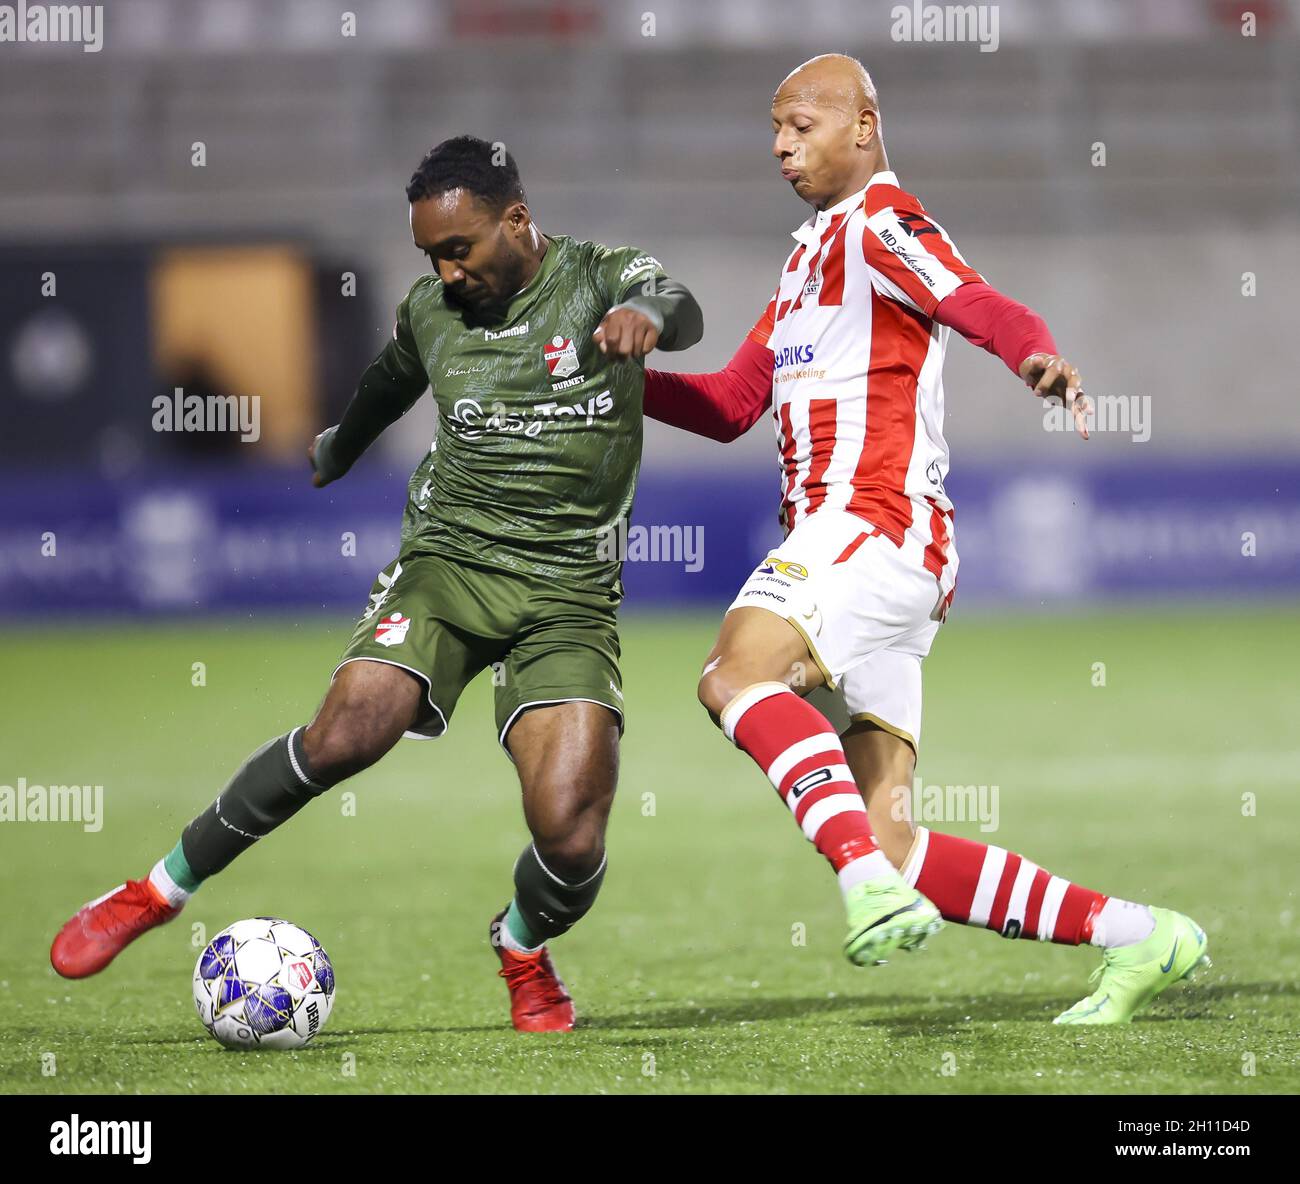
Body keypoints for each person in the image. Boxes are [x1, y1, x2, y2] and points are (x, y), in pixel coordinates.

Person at [50, 135, 703, 1034]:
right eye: (429, 255)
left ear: (516, 220)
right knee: (347, 734)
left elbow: (676, 299)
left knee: (572, 833)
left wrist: (652, 319)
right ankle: (154, 892)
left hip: (568, 595)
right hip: (449, 564)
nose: (445, 271)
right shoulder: (433, 312)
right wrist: (339, 447)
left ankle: (520, 946)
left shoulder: (598, 277)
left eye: (459, 249)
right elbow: (388, 383)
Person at [642, 55, 1207, 1023]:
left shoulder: (880, 224)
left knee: (735, 674)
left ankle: (858, 877)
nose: (781, 143)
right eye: (774, 128)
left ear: (864, 126)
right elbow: (736, 402)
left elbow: (971, 295)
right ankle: (1143, 934)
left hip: (875, 524)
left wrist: (1031, 351)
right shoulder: (807, 257)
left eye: (802, 124)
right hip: (871, 554)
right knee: (896, 836)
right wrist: (623, 384)